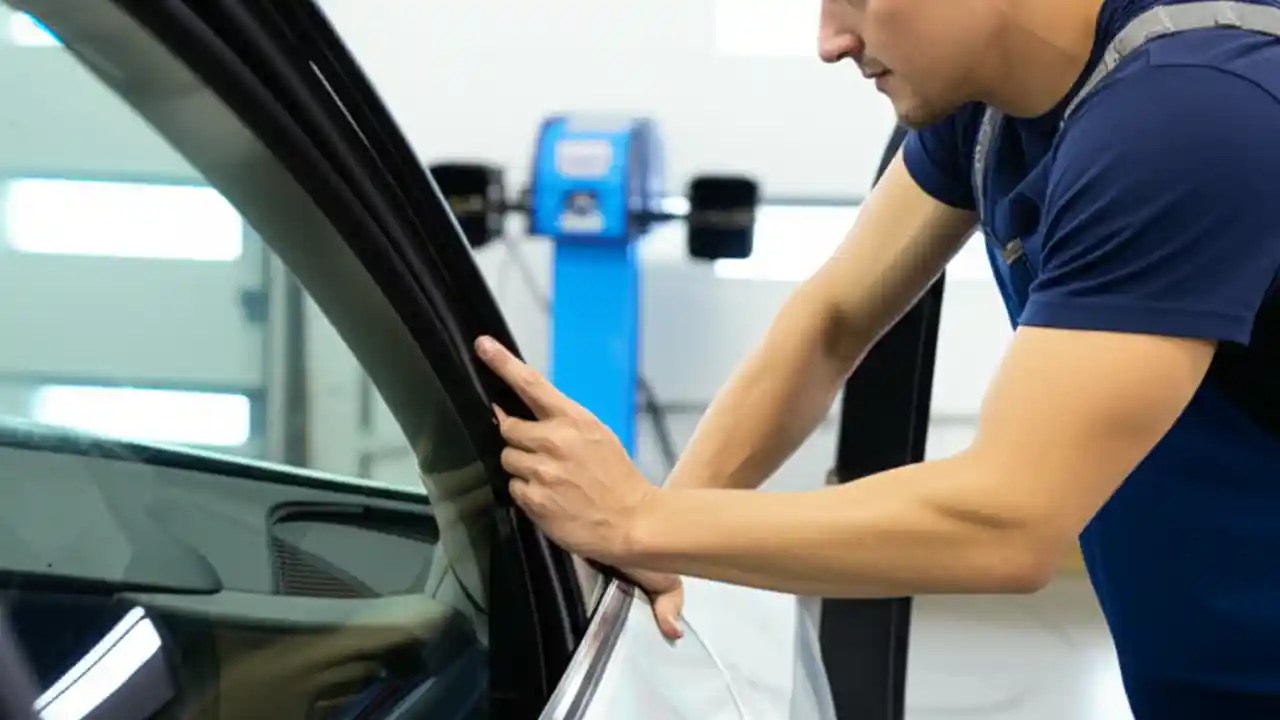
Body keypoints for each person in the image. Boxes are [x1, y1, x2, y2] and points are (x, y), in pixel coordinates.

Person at [474, 0, 1280, 716]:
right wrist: (653, 548)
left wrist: (643, 519)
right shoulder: (992, 102)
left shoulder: (1190, 114)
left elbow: (1011, 522)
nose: (831, 38)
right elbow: (830, 321)